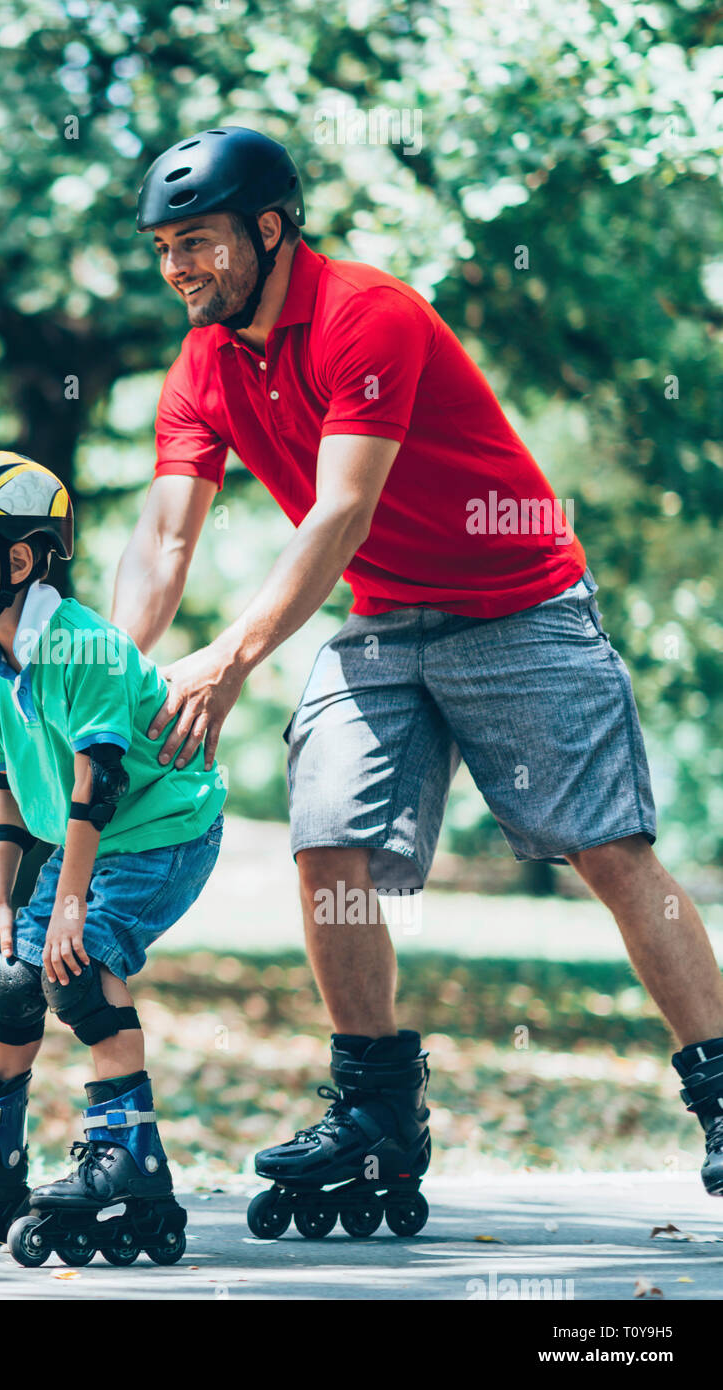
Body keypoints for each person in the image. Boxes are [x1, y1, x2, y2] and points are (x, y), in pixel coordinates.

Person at [108, 125, 723, 1237]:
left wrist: (234, 654)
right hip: (383, 619)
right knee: (326, 840)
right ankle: (376, 1111)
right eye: (162, 249)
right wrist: (105, 679)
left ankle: (722, 1090)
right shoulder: (202, 364)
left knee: (610, 851)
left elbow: (342, 508)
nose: (176, 269)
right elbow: (162, 540)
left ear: (268, 226)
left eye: (194, 243)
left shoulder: (365, 314)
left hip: (517, 604)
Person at [0, 449, 226, 1267]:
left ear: (18, 559)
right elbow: (4, 790)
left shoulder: (79, 644)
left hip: (162, 830)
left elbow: (98, 782)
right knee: (14, 975)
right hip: (85, 839)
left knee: (76, 965)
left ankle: (130, 1157)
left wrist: (67, 905)